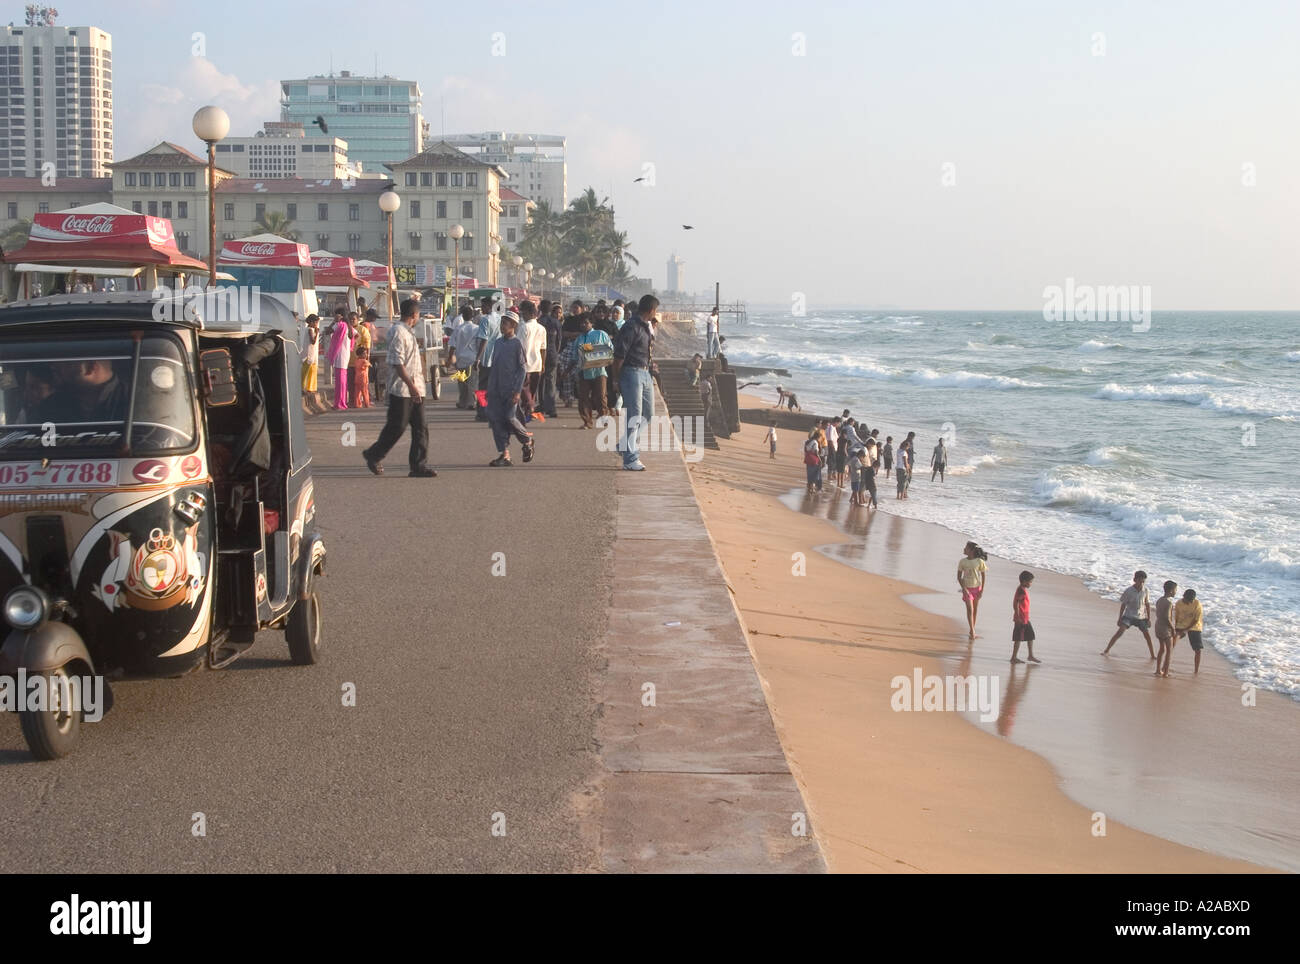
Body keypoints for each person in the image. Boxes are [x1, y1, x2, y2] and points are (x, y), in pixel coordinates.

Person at [361, 299, 436, 478]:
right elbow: (398, 363)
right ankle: (374, 454)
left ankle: (418, 465)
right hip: (402, 389)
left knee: (421, 427)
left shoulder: (408, 332)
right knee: (397, 426)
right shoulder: (398, 332)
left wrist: (417, 387)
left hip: (415, 388)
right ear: (414, 315)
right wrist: (411, 387)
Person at [611, 294, 658, 471]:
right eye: (656, 310)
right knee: (634, 415)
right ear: (651, 310)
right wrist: (616, 379)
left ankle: (624, 445)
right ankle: (630, 458)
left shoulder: (646, 327)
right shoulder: (631, 326)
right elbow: (619, 356)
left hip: (645, 372)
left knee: (648, 414)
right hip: (631, 373)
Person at [487, 312, 533, 466]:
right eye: (501, 323)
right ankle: (504, 454)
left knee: (510, 418)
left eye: (505, 324)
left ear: (513, 326)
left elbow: (522, 369)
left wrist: (517, 391)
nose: (502, 326)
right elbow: (494, 366)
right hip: (495, 390)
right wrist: (489, 389)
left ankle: (527, 440)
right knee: (496, 421)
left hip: (511, 390)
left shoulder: (516, 344)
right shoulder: (498, 343)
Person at [32, 359, 130, 424]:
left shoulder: (133, 404)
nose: (53, 366)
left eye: (65, 361)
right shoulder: (50, 406)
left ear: (90, 367)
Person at [1102, 570, 1156, 658]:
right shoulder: (1129, 590)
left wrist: (1149, 619)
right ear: (1135, 580)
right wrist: (1120, 618)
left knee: (1147, 635)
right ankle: (1107, 650)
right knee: (1120, 632)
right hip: (1129, 616)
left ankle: (1153, 655)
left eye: (1143, 582)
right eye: (1140, 581)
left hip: (1141, 617)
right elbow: (1123, 605)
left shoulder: (1145, 590)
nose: (1141, 583)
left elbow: (1147, 604)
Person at [574, 312, 612, 429]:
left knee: (601, 396)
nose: (583, 325)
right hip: (584, 372)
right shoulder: (579, 339)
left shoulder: (600, 334)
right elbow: (576, 355)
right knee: (583, 398)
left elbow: (610, 349)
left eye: (586, 323)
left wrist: (588, 351)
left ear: (591, 323)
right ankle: (587, 422)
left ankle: (603, 418)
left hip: (599, 371)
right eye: (581, 323)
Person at [473, 295, 501, 421]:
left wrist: (477, 358)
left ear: (489, 306)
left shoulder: (485, 320)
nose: (482, 308)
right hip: (497, 356)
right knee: (494, 387)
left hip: (486, 357)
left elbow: (484, 339)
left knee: (483, 387)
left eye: (483, 306)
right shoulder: (499, 318)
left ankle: (483, 412)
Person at [517, 300, 546, 420]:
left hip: (526, 363)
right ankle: (529, 409)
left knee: (525, 389)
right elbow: (543, 348)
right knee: (532, 391)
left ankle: (530, 409)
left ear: (529, 313)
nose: (522, 316)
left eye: (523, 313)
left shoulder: (524, 327)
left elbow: (520, 347)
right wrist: (543, 363)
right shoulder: (541, 328)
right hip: (537, 363)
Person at [448, 305, 479, 409]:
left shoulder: (458, 329)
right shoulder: (476, 329)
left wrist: (450, 358)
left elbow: (452, 345)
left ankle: (462, 402)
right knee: (472, 382)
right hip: (472, 359)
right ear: (472, 316)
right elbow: (479, 344)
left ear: (463, 316)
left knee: (462, 382)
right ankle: (471, 402)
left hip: (460, 359)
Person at [957, 542, 989, 641]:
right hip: (967, 589)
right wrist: (964, 589)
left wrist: (982, 590)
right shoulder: (962, 561)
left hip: (977, 589)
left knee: (975, 610)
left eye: (966, 548)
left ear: (971, 550)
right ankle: (972, 631)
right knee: (970, 610)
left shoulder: (980, 561)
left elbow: (983, 576)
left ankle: (972, 630)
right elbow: (959, 577)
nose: (964, 549)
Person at [1173, 588, 1205, 675]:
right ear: (1184, 597)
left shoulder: (1197, 604)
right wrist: (1176, 628)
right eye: (1188, 600)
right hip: (1181, 625)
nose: (1190, 602)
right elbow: (1176, 617)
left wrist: (1186, 630)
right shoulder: (1179, 603)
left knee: (1198, 649)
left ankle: (1196, 670)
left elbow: (1196, 620)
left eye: (1191, 600)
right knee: (1171, 643)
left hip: (1194, 627)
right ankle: (1165, 666)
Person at [539, 300, 561, 417]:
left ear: (540, 308)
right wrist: (555, 352)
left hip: (540, 354)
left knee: (540, 381)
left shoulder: (538, 322)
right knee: (551, 381)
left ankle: (542, 406)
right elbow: (559, 341)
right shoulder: (556, 322)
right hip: (552, 354)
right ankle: (551, 407)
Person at [1011, 571, 1039, 664]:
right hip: (1021, 618)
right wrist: (1018, 617)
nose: (1031, 584)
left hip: (1025, 618)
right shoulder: (1021, 590)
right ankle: (1013, 657)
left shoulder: (1022, 589)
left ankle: (1030, 655)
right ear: (1023, 581)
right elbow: (1016, 604)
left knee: (1031, 636)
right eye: (1030, 582)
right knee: (1018, 638)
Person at [327, 312, 353, 410]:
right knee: (343, 381)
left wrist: (334, 321)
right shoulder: (348, 326)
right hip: (346, 356)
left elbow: (327, 331)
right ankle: (342, 402)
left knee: (339, 382)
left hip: (339, 356)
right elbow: (356, 335)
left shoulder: (339, 325)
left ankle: (338, 403)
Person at [1155, 580, 1178, 677]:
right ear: (1171, 590)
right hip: (1165, 628)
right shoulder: (1169, 603)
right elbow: (1167, 618)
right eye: (1176, 590)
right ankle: (1166, 672)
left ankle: (1158, 670)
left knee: (1162, 649)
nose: (1176, 592)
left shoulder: (1160, 600)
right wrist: (1172, 629)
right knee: (1169, 650)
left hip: (1158, 626)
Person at [301, 314, 320, 393]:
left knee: (311, 370)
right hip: (308, 354)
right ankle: (303, 387)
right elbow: (313, 341)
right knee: (306, 372)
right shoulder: (310, 330)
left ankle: (310, 387)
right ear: (312, 322)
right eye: (316, 323)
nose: (316, 324)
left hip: (312, 354)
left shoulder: (309, 329)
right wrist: (316, 333)